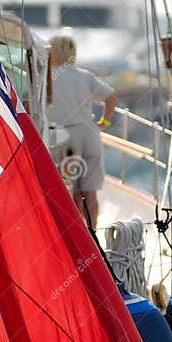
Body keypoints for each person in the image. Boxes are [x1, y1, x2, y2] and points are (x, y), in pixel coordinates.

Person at [49, 34, 117, 229]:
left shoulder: (47, 78)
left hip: (64, 138)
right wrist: (104, 122)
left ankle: (76, 235)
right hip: (89, 135)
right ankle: (92, 233)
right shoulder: (85, 76)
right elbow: (111, 97)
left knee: (71, 192)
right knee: (89, 191)